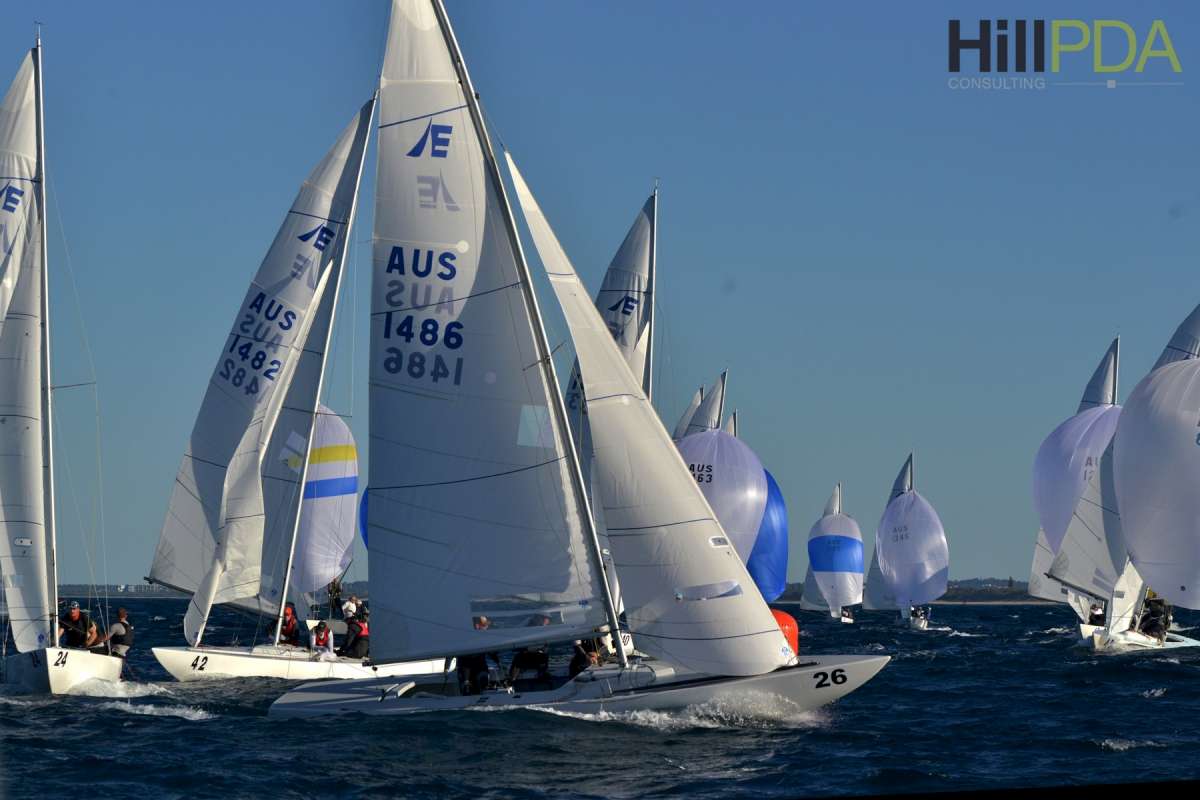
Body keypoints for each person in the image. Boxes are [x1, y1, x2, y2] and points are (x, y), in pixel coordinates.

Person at [456, 616, 501, 694]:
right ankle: (468, 690)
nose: (487, 627)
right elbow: (463, 660)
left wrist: (499, 662)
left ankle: (483, 693)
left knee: (483, 677)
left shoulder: (484, 640)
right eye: (485, 625)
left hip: (480, 669)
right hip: (466, 672)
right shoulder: (465, 641)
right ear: (477, 626)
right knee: (468, 685)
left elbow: (491, 653)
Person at [508, 614, 552, 685]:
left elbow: (545, 647)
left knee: (544, 657)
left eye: (547, 619)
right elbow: (520, 644)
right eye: (545, 619)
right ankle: (512, 680)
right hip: (527, 654)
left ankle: (541, 675)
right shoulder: (529, 628)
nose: (547, 621)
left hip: (538, 655)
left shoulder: (545, 631)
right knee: (517, 658)